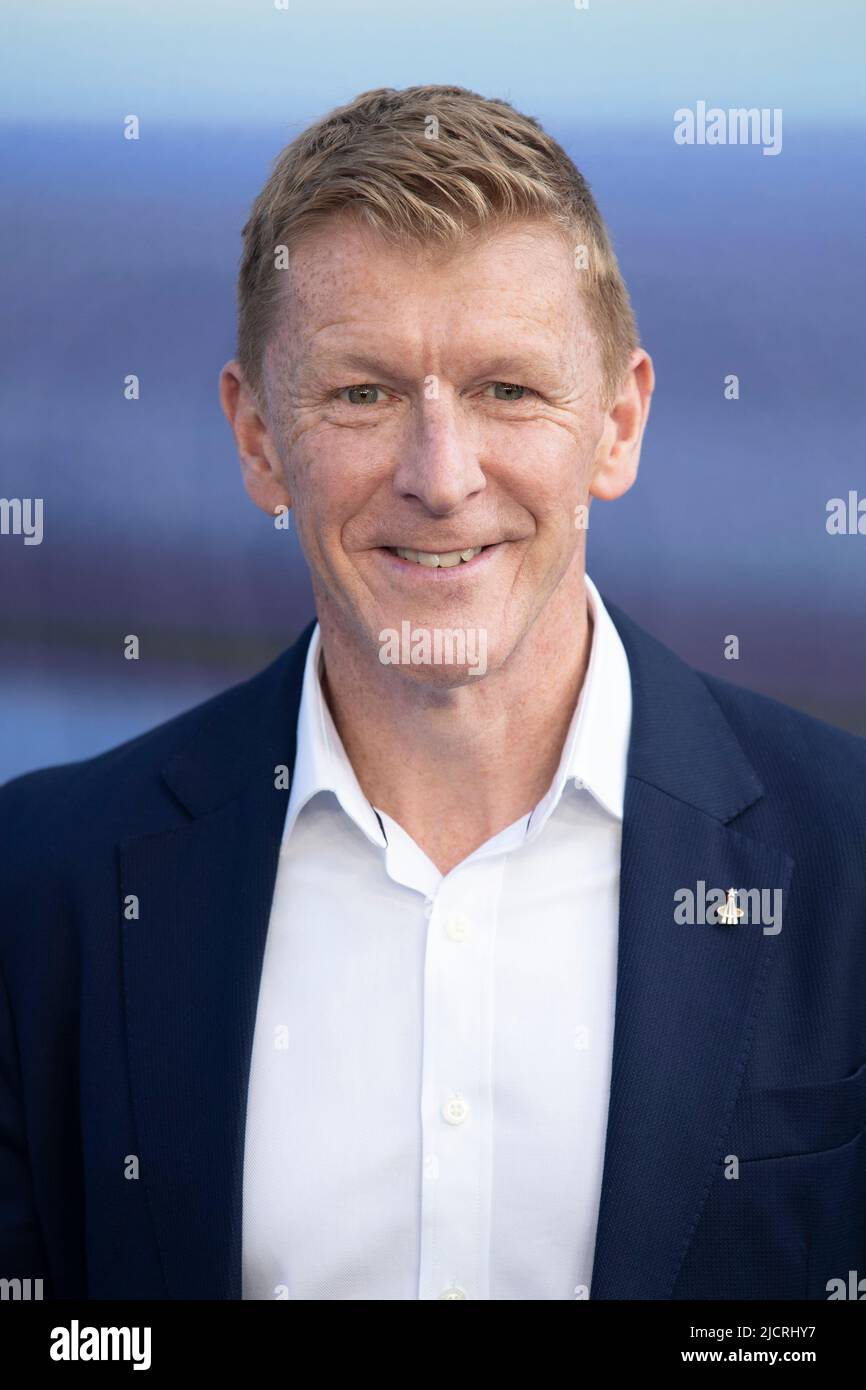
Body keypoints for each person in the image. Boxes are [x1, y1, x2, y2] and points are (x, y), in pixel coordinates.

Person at [1, 85, 864, 1302]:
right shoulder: (42, 886)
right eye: (361, 392)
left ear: (616, 423)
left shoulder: (846, 857)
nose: (439, 477)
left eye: (508, 389)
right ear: (257, 441)